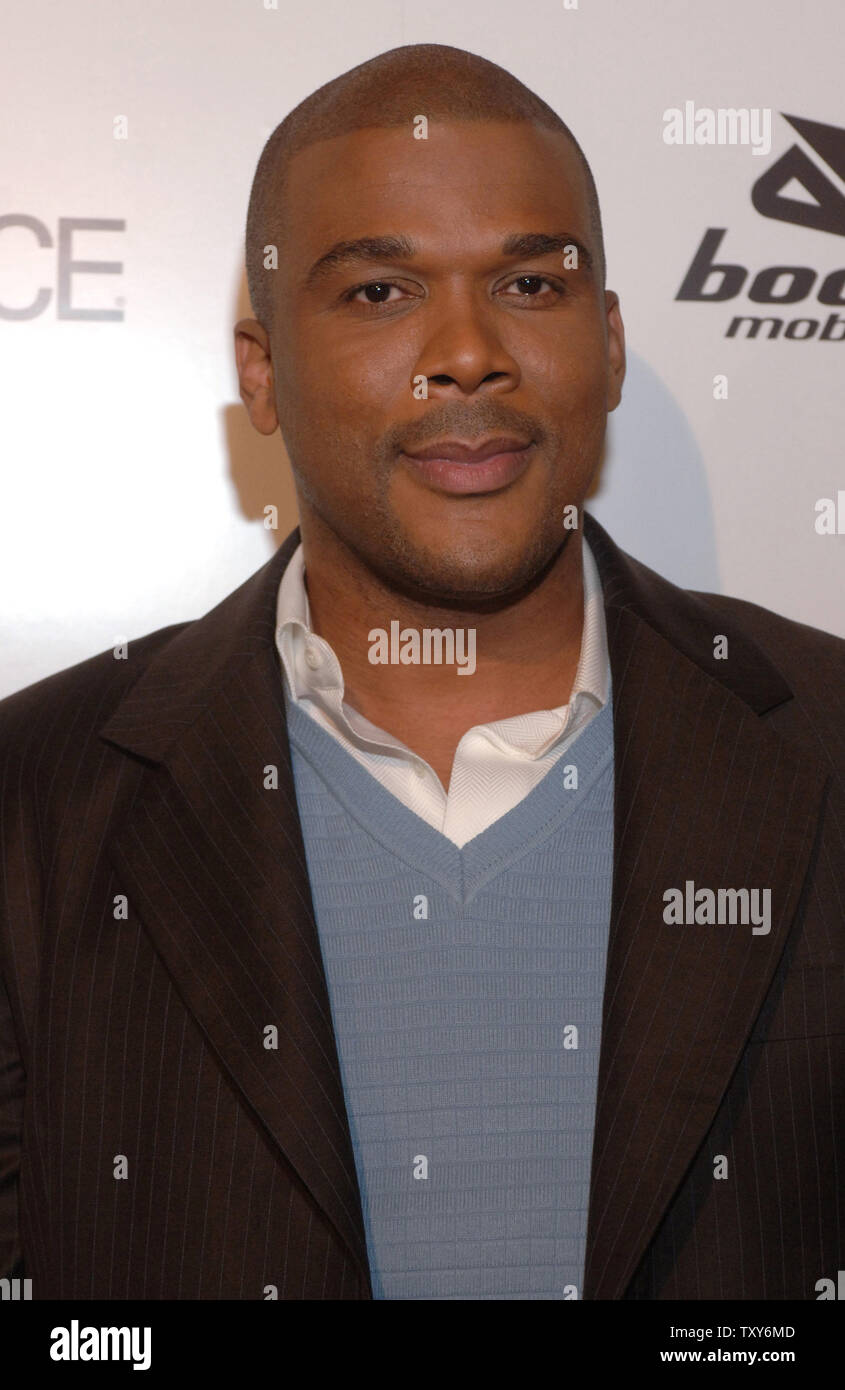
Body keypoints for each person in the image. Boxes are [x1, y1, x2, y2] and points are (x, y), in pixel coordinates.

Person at [0, 43, 841, 1302]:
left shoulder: (822, 735)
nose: (464, 352)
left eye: (528, 284)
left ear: (607, 344)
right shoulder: (32, 800)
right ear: (260, 369)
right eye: (380, 292)